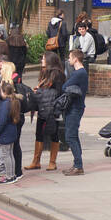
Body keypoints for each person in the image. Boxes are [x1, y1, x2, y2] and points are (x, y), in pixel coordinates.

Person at [28, 53, 64, 171]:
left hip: (52, 109)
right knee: (39, 133)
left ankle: (52, 162)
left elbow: (57, 92)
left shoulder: (57, 75)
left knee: (54, 134)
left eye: (43, 58)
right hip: (43, 108)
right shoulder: (44, 72)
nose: (42, 60)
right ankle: (36, 161)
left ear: (49, 60)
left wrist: (42, 91)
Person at [62, 48, 89, 176]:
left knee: (70, 136)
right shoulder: (79, 72)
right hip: (74, 107)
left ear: (75, 59)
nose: (68, 59)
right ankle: (77, 164)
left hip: (75, 108)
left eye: (70, 57)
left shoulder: (79, 73)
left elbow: (64, 87)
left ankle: (79, 166)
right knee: (73, 135)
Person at [0, 80, 21, 184]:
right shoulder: (14, 101)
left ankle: (9, 176)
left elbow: (2, 120)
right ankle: (12, 175)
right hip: (12, 131)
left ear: (4, 92)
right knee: (10, 154)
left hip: (5, 133)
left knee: (6, 155)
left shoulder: (6, 104)